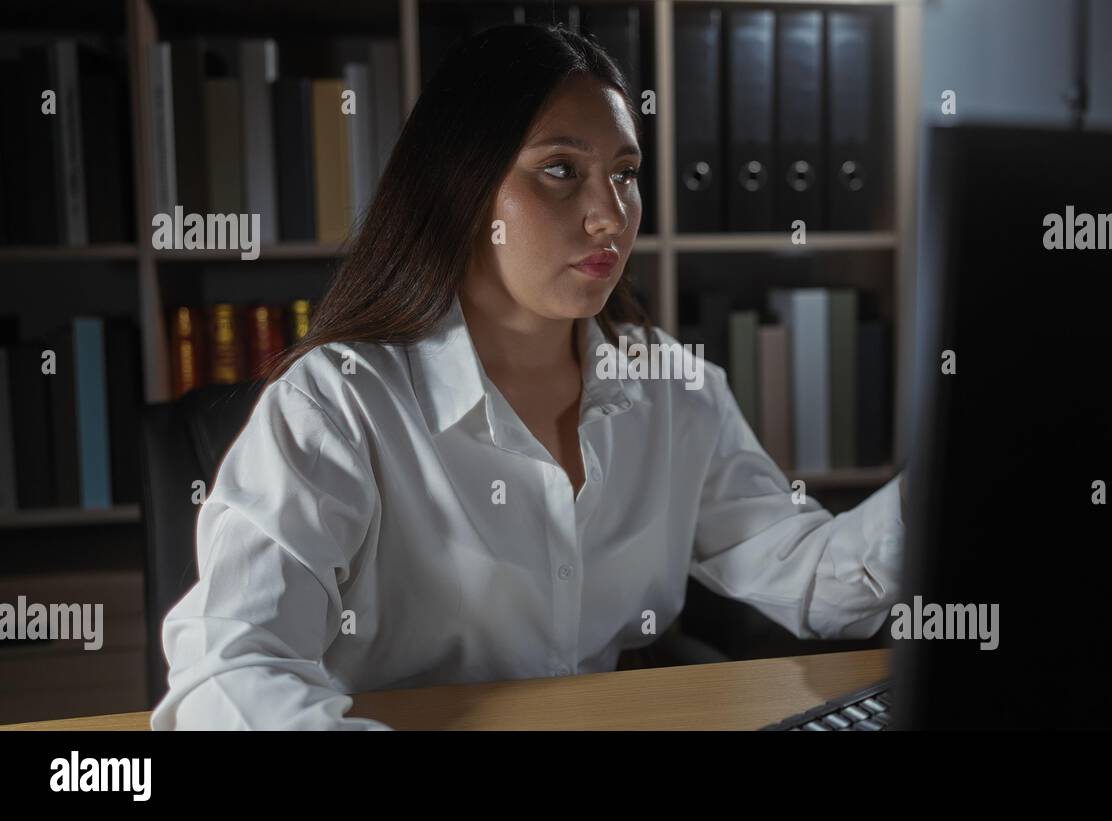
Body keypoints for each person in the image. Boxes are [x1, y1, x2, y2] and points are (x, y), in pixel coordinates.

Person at [150, 23, 906, 730]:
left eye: (626, 174)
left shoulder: (674, 388)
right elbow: (227, 670)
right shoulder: (338, 404)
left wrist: (968, 457)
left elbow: (811, 580)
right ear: (464, 190)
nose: (610, 216)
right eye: (559, 170)